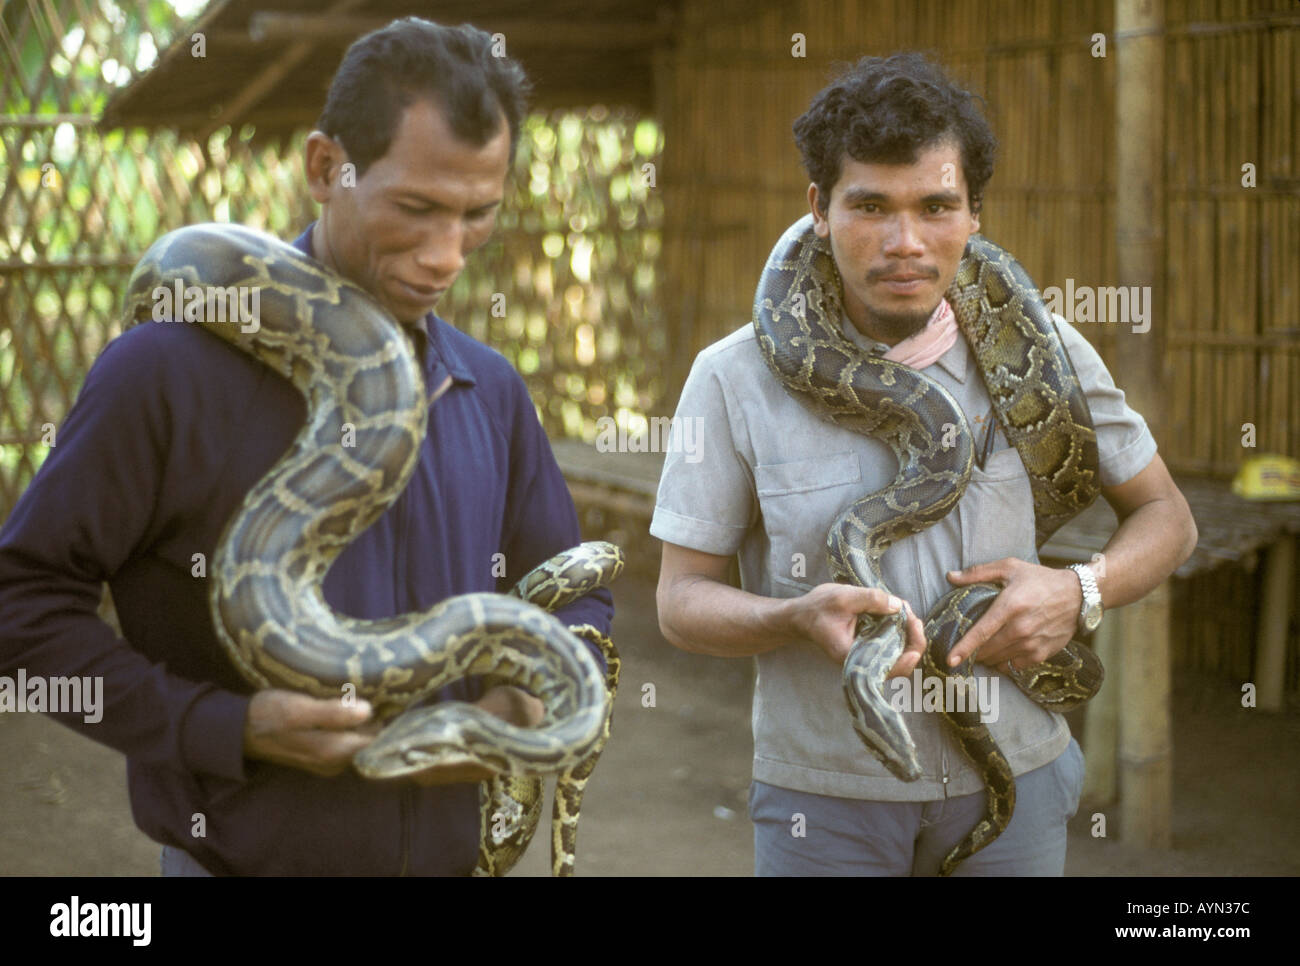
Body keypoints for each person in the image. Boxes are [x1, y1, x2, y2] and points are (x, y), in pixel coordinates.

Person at [0, 18, 612, 876]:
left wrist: (520, 697)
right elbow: (20, 608)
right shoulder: (164, 373)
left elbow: (573, 593)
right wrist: (223, 728)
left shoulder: (486, 388)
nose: (446, 257)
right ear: (327, 168)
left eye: (478, 215)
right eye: (417, 208)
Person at [652, 52, 1196, 876]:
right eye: (869, 205)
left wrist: (1077, 589)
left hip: (1022, 772)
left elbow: (1169, 520)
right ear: (820, 210)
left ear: (974, 215)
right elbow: (679, 601)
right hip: (825, 801)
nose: (904, 242)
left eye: (936, 206)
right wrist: (792, 618)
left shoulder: (1046, 347)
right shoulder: (733, 378)